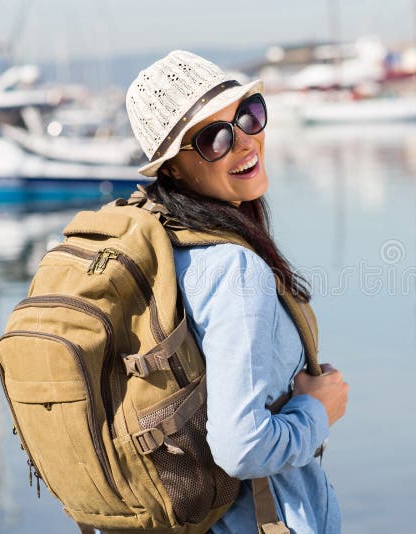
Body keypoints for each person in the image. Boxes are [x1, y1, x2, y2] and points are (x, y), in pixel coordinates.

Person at [124, 50, 348, 533]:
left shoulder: (157, 243)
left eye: (248, 115)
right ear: (173, 170)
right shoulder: (231, 267)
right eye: (214, 138)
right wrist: (318, 409)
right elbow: (241, 447)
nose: (244, 142)